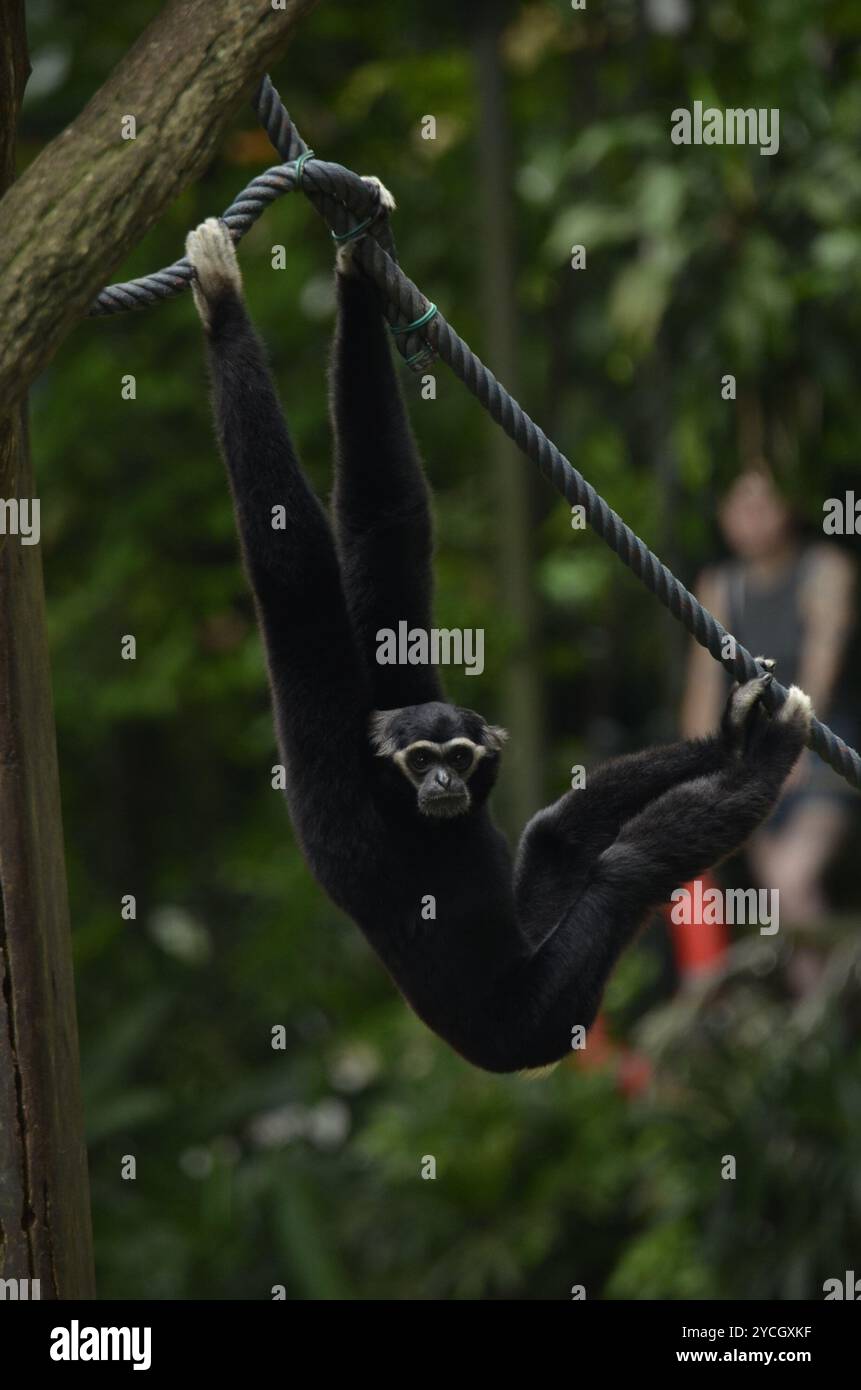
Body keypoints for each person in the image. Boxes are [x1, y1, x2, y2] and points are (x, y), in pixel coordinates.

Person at [681, 467, 856, 987]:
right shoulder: (718, 584)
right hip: (754, 763)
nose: (751, 516)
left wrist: (795, 752)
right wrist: (698, 770)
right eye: (740, 503)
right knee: (782, 898)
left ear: (789, 510)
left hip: (823, 751)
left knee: (790, 880)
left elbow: (821, 673)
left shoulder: (826, 569)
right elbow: (702, 689)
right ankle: (818, 1028)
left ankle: (823, 1031)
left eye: (764, 502)